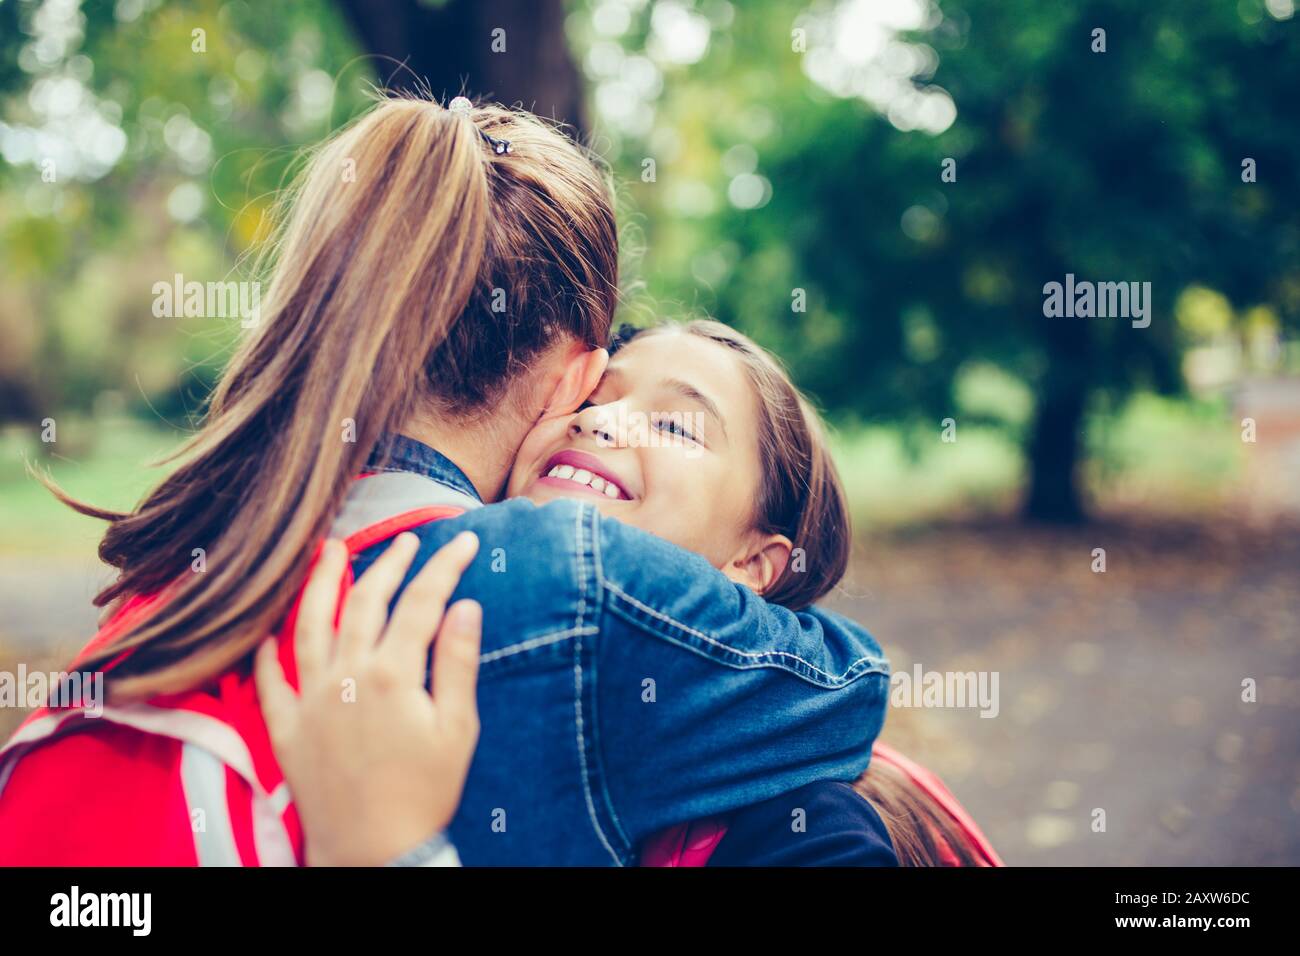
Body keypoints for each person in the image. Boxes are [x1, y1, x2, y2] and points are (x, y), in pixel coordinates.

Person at [0, 95, 887, 867]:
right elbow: (850, 685)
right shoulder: (566, 591)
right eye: (609, 390)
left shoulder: (184, 572)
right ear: (574, 381)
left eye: (676, 421)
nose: (609, 423)